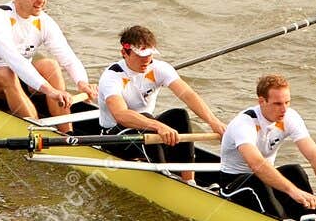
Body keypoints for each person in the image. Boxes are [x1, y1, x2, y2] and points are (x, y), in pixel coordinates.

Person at [96, 25, 225, 183]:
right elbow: (120, 115)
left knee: (179, 115)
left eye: (150, 54)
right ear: (124, 53)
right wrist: (158, 126)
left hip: (146, 130)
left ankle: (189, 181)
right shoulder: (112, 76)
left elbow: (188, 94)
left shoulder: (159, 68)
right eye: (140, 55)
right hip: (115, 139)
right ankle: (165, 180)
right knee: (147, 119)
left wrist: (213, 121)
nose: (146, 60)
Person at [217, 73, 316, 221]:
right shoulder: (244, 124)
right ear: (262, 101)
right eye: (278, 104)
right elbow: (257, 165)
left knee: (295, 171)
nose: (284, 109)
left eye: (287, 102)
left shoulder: (290, 117)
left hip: (267, 179)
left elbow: (314, 155)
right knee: (258, 181)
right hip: (234, 184)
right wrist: (292, 191)